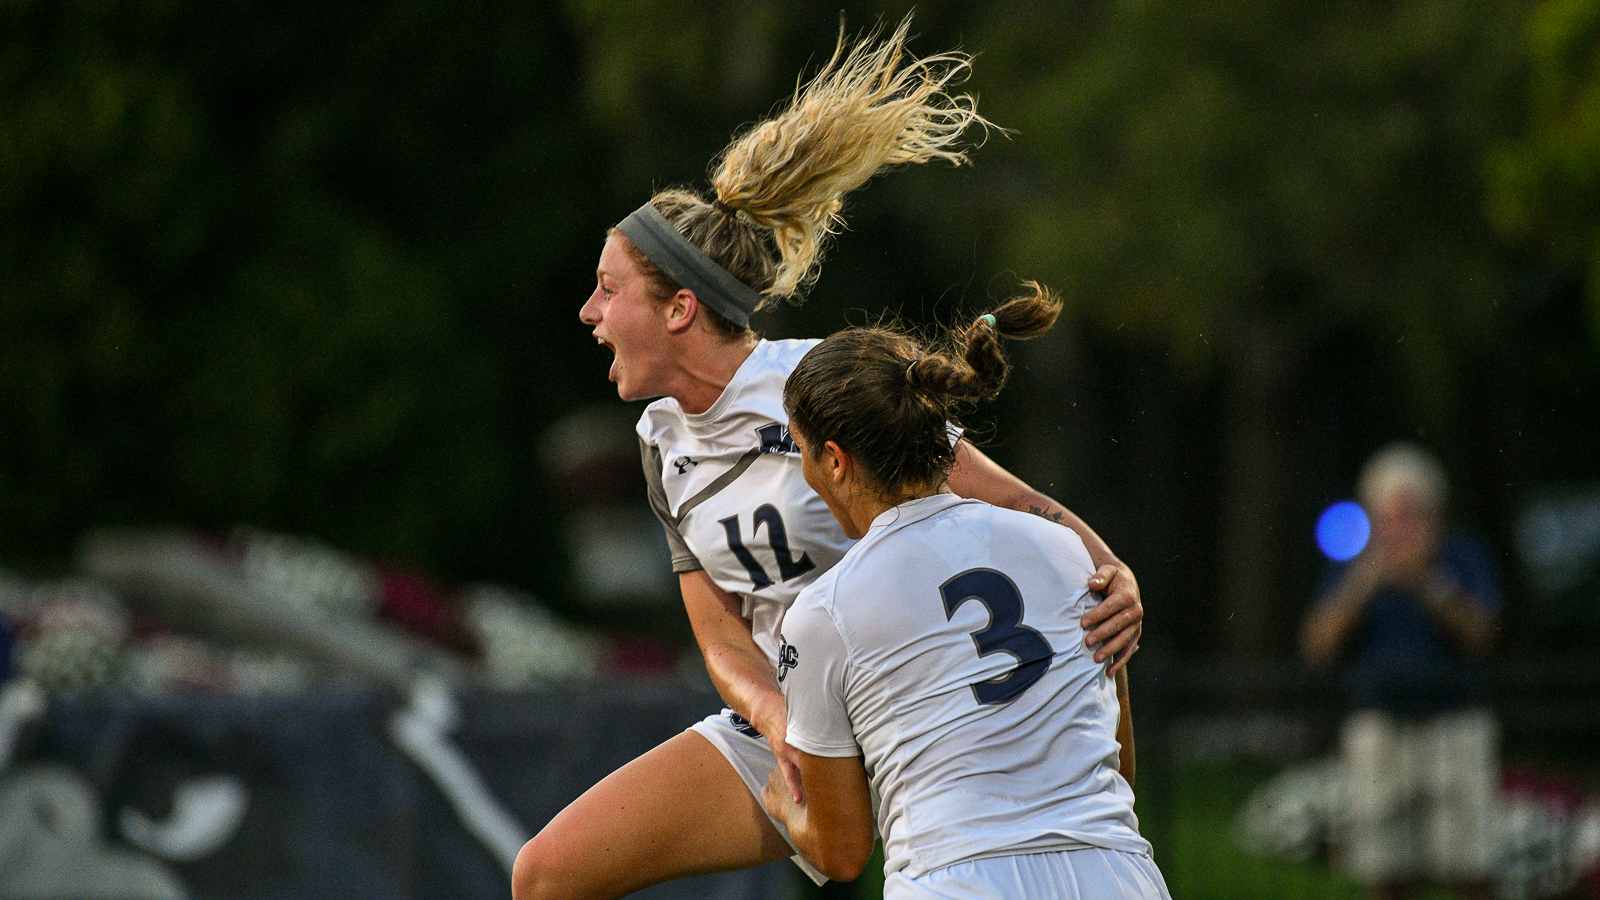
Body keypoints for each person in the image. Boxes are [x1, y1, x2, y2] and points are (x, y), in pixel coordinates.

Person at [512, 18, 1144, 900]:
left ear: (681, 309)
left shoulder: (818, 387)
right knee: (544, 874)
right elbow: (720, 633)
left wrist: (1114, 573)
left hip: (914, 693)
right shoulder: (660, 442)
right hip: (793, 715)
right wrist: (776, 721)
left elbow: (1009, 506)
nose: (588, 311)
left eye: (608, 290)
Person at [762, 286, 1167, 899]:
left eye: (803, 452)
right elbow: (1116, 768)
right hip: (1114, 874)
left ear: (836, 461)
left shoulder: (824, 613)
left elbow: (840, 851)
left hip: (957, 882)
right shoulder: (1062, 549)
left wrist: (783, 807)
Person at [1299, 441, 1501, 900]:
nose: (1398, 529)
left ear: (1435, 516)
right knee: (1385, 867)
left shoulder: (1463, 557)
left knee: (1471, 863)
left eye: (1410, 516)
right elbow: (1318, 646)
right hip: (1380, 727)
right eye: (1388, 517)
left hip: (1454, 724)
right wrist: (1362, 586)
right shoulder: (1355, 568)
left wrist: (1430, 585)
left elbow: (1482, 636)